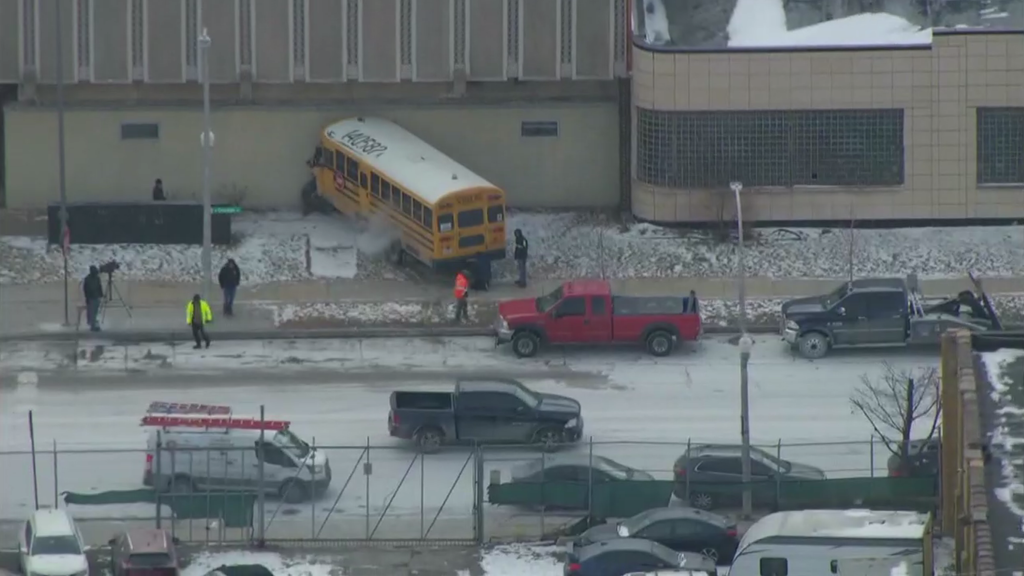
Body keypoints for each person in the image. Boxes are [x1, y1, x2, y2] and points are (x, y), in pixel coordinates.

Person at [82, 265, 104, 332]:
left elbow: (99, 287)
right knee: (92, 312)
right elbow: (85, 289)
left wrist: (101, 295)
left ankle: (93, 323)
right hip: (91, 297)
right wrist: (87, 298)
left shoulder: (96, 278)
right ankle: (93, 325)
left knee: (94, 312)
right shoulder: (88, 279)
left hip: (95, 297)